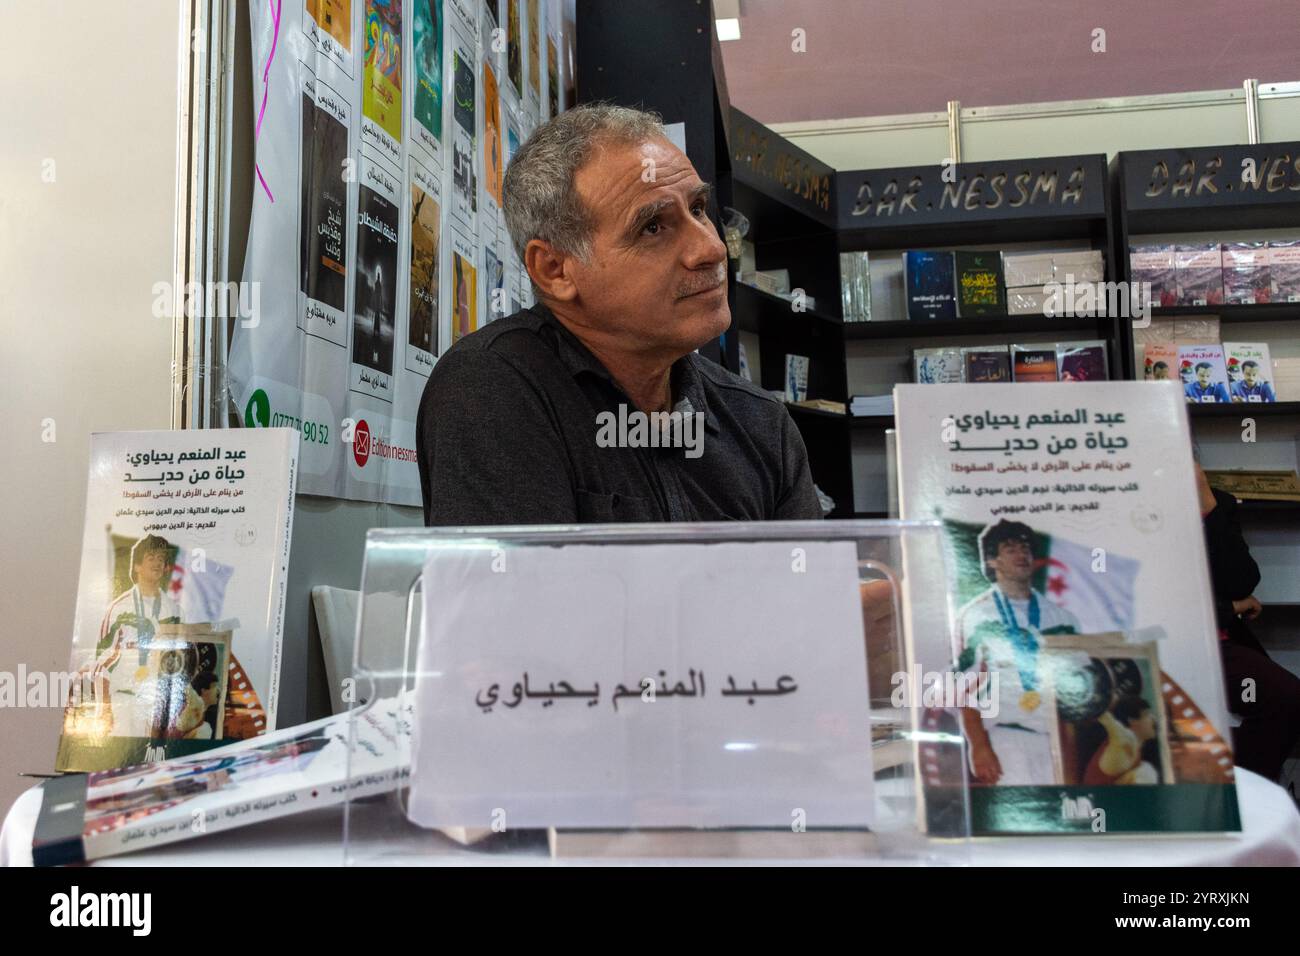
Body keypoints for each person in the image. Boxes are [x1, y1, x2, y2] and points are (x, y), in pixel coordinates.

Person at [416, 103, 821, 525]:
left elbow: (809, 587)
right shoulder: (491, 389)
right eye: (653, 227)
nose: (712, 249)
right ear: (554, 269)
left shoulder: (759, 422)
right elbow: (520, 591)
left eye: (698, 209)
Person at [955, 520, 1081, 785]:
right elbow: (965, 689)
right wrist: (979, 746)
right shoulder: (977, 615)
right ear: (992, 561)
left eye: (1025, 548)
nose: (1021, 554)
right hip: (1005, 740)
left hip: (1054, 740)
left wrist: (1071, 758)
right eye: (1010, 548)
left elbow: (1076, 695)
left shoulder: (1062, 618)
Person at [1196, 461, 1300, 782]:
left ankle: (1250, 798)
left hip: (1215, 644)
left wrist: (1206, 505)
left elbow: (1243, 580)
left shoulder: (1218, 504)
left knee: (1285, 698)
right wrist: (1232, 607)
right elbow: (1153, 600)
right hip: (1157, 640)